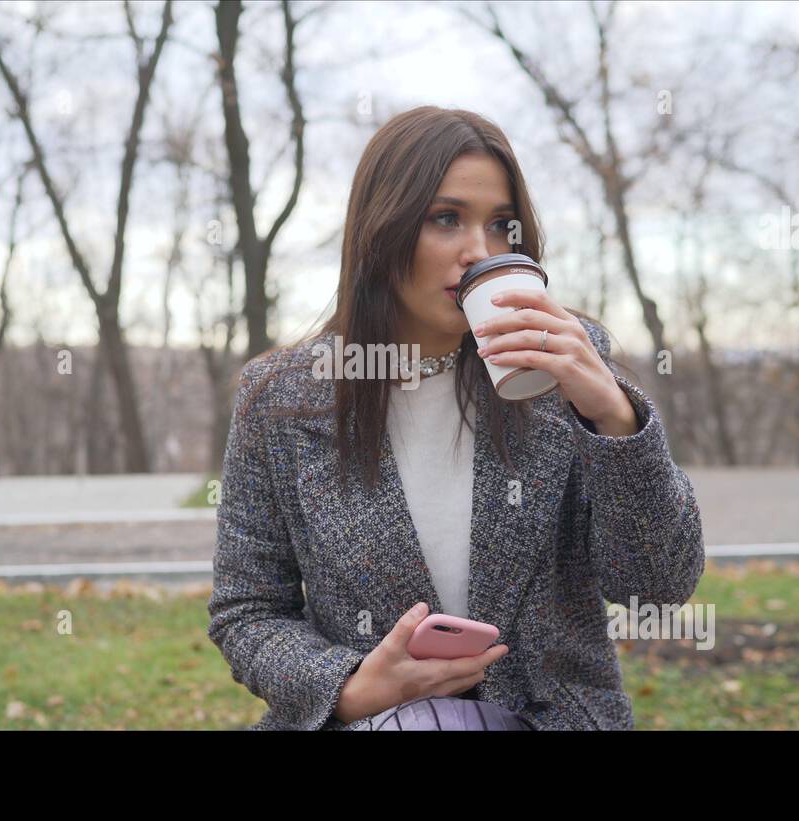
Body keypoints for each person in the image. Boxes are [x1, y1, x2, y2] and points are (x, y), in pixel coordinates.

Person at [207, 105, 705, 730]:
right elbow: (248, 611)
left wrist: (614, 416)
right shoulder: (281, 400)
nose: (480, 251)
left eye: (502, 226)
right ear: (381, 232)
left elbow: (656, 585)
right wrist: (352, 689)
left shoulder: (569, 373)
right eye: (446, 219)